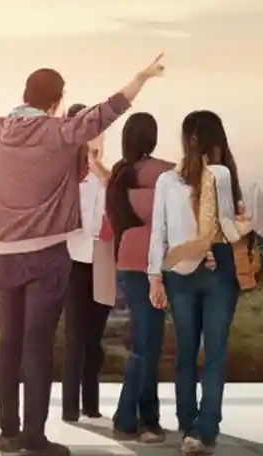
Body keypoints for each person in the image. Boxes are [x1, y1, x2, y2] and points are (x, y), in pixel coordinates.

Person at [0, 53, 165, 456]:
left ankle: (8, 435)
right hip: (47, 256)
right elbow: (106, 112)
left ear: (25, 95)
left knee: (9, 343)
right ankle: (35, 438)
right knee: (37, 345)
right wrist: (140, 79)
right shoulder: (60, 132)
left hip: (5, 253)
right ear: (58, 101)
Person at [147, 110, 245, 456]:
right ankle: (199, 428)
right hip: (198, 272)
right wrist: (155, 275)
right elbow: (227, 228)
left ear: (189, 139)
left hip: (197, 272)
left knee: (198, 353)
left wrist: (155, 275)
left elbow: (161, 233)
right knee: (202, 352)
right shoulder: (190, 178)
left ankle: (197, 428)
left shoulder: (197, 179)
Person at [98, 112, 172, 443]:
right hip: (155, 265)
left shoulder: (119, 176)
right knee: (147, 344)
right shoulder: (168, 173)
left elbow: (108, 227)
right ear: (152, 138)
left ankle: (149, 419)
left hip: (127, 262)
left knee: (147, 342)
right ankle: (127, 418)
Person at [62, 105, 112, 424]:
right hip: (74, 259)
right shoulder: (66, 178)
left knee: (96, 337)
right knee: (75, 336)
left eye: (101, 132)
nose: (97, 138)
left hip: (104, 258)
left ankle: (91, 405)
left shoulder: (109, 176)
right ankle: (69, 407)